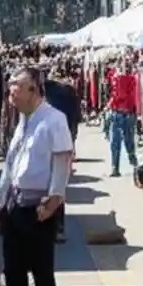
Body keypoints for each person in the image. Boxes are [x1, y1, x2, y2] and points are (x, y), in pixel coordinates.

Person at [0, 67, 74, 286]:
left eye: (17, 86)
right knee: (13, 270)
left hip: (39, 206)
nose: (11, 91)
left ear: (34, 90)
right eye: (11, 85)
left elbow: (63, 161)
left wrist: (54, 199)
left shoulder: (54, 120)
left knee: (41, 270)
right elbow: (11, 165)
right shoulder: (23, 121)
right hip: (16, 204)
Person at [44, 73, 82, 243]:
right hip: (64, 142)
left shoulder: (42, 94)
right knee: (59, 185)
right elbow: (76, 120)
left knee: (46, 184)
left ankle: (49, 224)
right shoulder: (69, 93)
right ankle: (58, 226)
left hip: (47, 145)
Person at [107, 61, 140, 177]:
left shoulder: (117, 79)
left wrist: (110, 104)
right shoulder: (133, 79)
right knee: (128, 139)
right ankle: (133, 162)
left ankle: (115, 166)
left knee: (116, 142)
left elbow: (116, 95)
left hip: (119, 111)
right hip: (128, 112)